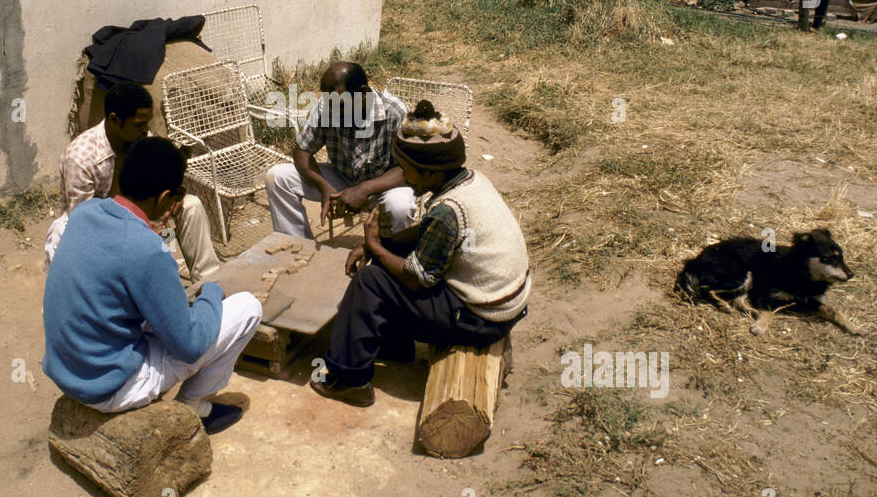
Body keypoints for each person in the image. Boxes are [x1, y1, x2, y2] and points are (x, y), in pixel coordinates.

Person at [311, 100, 531, 407]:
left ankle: (350, 380)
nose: (402, 174)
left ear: (428, 173)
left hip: (483, 319)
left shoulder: (448, 211)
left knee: (369, 280)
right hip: (506, 301)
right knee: (385, 262)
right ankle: (396, 348)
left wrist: (374, 246)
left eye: (406, 168)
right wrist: (382, 244)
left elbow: (417, 278)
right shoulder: (470, 181)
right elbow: (427, 233)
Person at [42, 136, 262, 433]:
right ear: (164, 198)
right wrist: (211, 292)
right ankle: (191, 410)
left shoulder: (84, 213)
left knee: (157, 313)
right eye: (178, 195)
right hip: (109, 388)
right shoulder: (147, 249)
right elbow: (190, 346)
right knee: (248, 307)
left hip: (68, 371)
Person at [44, 81, 218, 282]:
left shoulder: (141, 138)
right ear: (115, 119)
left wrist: (172, 194)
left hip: (141, 212)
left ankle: (208, 282)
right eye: (139, 125)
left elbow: (162, 177)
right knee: (151, 248)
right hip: (101, 230)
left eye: (148, 123)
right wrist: (140, 227)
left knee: (191, 206)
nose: (146, 130)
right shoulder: (81, 158)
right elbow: (85, 222)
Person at [264, 61, 415, 239]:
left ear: (363, 93)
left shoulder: (395, 112)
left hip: (383, 187)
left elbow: (409, 169)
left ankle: (389, 257)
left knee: (400, 205)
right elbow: (301, 152)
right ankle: (297, 245)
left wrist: (363, 190)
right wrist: (324, 187)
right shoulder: (327, 107)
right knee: (278, 177)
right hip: (342, 179)